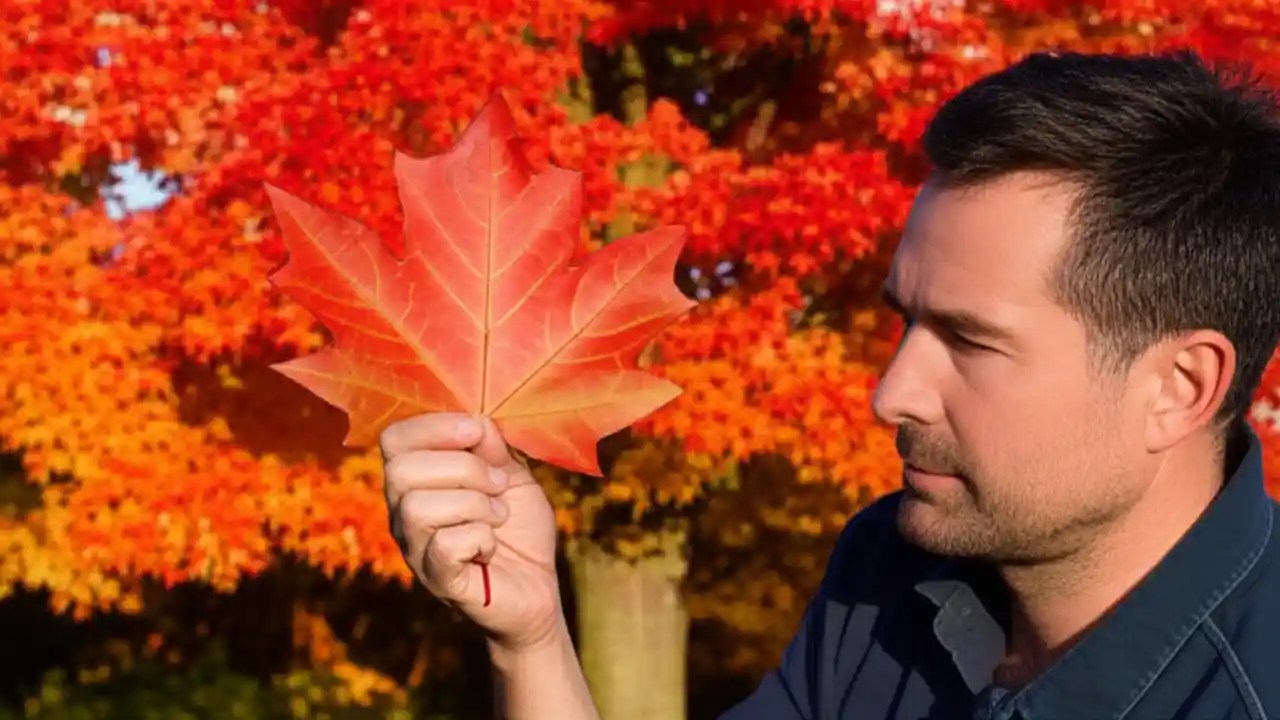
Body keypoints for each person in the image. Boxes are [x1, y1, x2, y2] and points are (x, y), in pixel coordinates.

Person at [377, 49, 1280, 720]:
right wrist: (531, 638)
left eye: (971, 341)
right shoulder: (890, 577)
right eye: (906, 319)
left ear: (1180, 386)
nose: (892, 393)